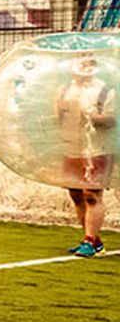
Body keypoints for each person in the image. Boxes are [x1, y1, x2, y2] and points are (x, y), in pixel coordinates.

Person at [55, 54, 110, 257]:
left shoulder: (104, 89)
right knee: (76, 193)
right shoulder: (65, 89)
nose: (84, 66)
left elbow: (113, 119)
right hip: (72, 147)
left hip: (96, 148)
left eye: (88, 62)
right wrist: (60, 110)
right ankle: (95, 241)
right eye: (80, 61)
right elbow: (58, 118)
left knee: (91, 193)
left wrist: (94, 117)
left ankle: (89, 241)